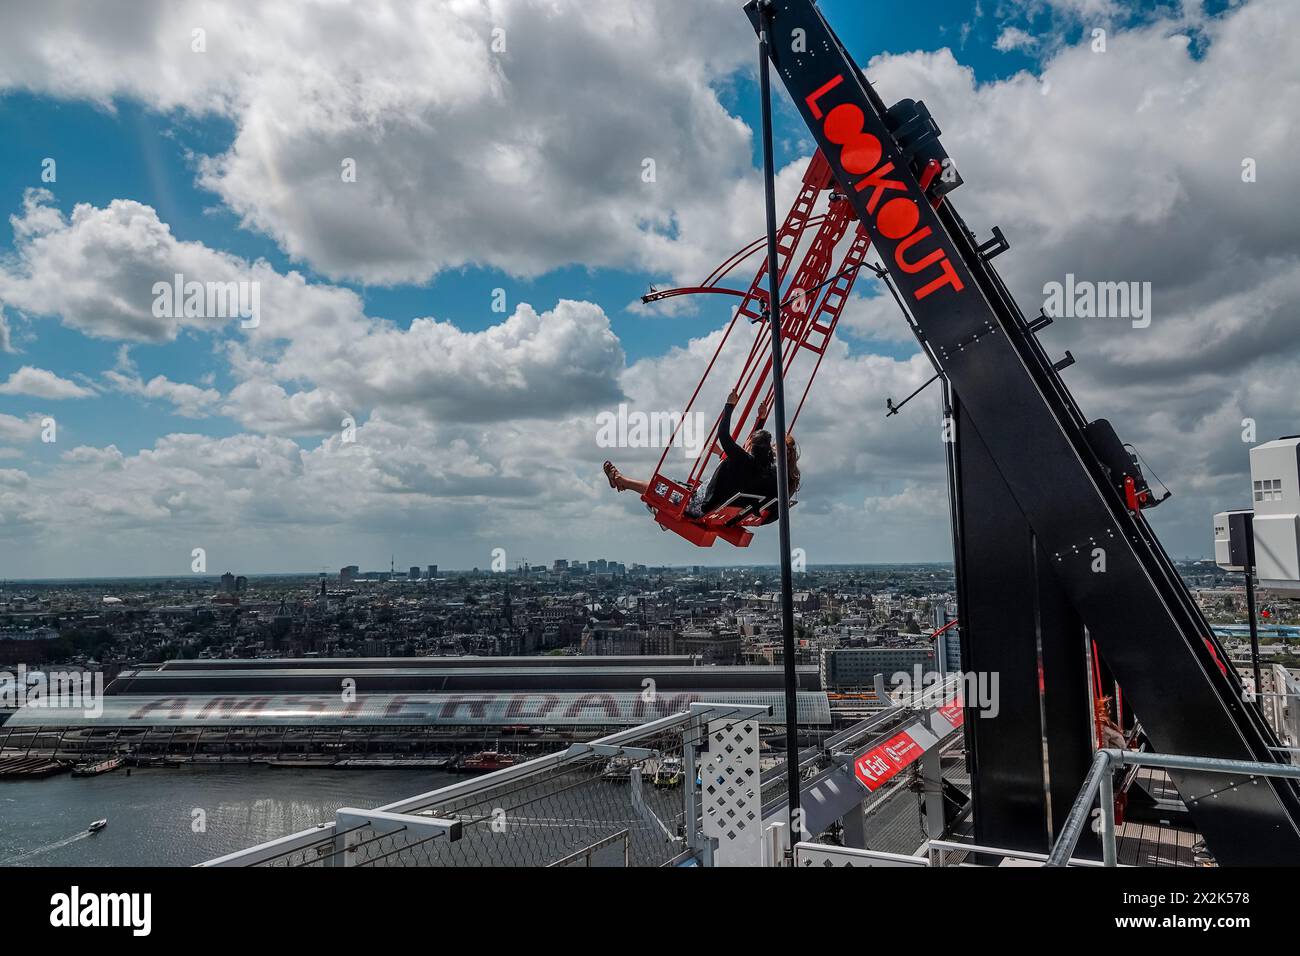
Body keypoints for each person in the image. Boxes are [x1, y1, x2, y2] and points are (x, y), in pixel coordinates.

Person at [604, 390, 799, 523]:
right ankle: (624, 484)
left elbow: (724, 436)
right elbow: (752, 447)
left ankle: (622, 481)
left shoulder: (745, 461)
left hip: (700, 505)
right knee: (675, 485)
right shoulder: (763, 468)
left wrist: (729, 406)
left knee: (660, 486)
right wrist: (760, 420)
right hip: (717, 505)